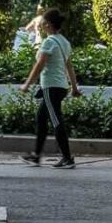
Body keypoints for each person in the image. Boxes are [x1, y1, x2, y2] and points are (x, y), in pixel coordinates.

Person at [19, 9, 81, 169]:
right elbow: (69, 67)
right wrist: (74, 87)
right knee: (41, 118)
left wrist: (27, 84)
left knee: (56, 120)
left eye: (43, 23)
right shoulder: (64, 42)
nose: (41, 26)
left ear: (48, 25)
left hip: (51, 86)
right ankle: (36, 156)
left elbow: (40, 65)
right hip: (61, 87)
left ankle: (67, 158)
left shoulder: (49, 42)